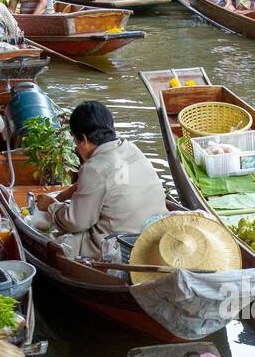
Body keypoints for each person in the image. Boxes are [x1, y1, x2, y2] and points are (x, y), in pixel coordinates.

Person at [32, 101, 167, 259]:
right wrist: (62, 196)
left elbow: (76, 223)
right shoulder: (130, 148)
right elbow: (108, 181)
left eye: (76, 142)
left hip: (120, 246)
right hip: (154, 234)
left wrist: (52, 206)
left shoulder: (93, 168)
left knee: (54, 239)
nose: (77, 149)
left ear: (83, 139)